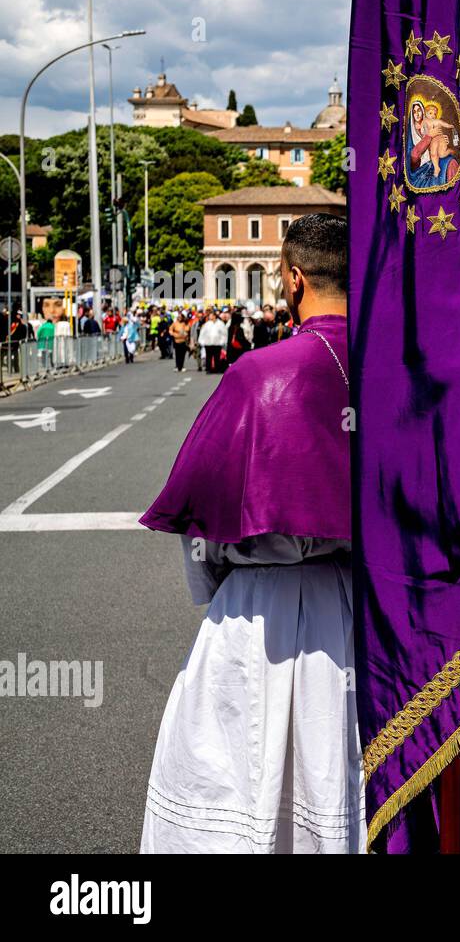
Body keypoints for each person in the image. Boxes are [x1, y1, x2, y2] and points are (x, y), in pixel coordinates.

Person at [138, 213, 359, 853]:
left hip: (255, 619)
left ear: (292, 279)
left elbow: (201, 526)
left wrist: (222, 582)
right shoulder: (397, 375)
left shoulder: (258, 374)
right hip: (360, 619)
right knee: (342, 785)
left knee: (238, 789)